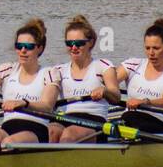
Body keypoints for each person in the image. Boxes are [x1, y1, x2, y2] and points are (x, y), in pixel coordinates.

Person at [0, 19, 59, 145]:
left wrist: (23, 103)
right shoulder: (7, 70)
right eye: (19, 46)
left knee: (9, 142)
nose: (23, 50)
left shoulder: (49, 73)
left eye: (28, 47)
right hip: (7, 128)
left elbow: (47, 106)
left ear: (39, 48)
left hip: (35, 131)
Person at [52, 14, 121, 143]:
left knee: (69, 134)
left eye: (79, 43)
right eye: (69, 43)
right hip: (67, 118)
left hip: (94, 122)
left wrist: (105, 91)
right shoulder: (58, 71)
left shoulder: (103, 67)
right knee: (51, 131)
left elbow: (116, 96)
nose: (73, 47)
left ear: (91, 42)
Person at [116, 19, 163, 131]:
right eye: (147, 48)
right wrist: (104, 89)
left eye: (156, 48)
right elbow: (111, 81)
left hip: (156, 122)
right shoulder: (132, 65)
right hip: (129, 118)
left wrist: (144, 102)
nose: (151, 53)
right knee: (128, 119)